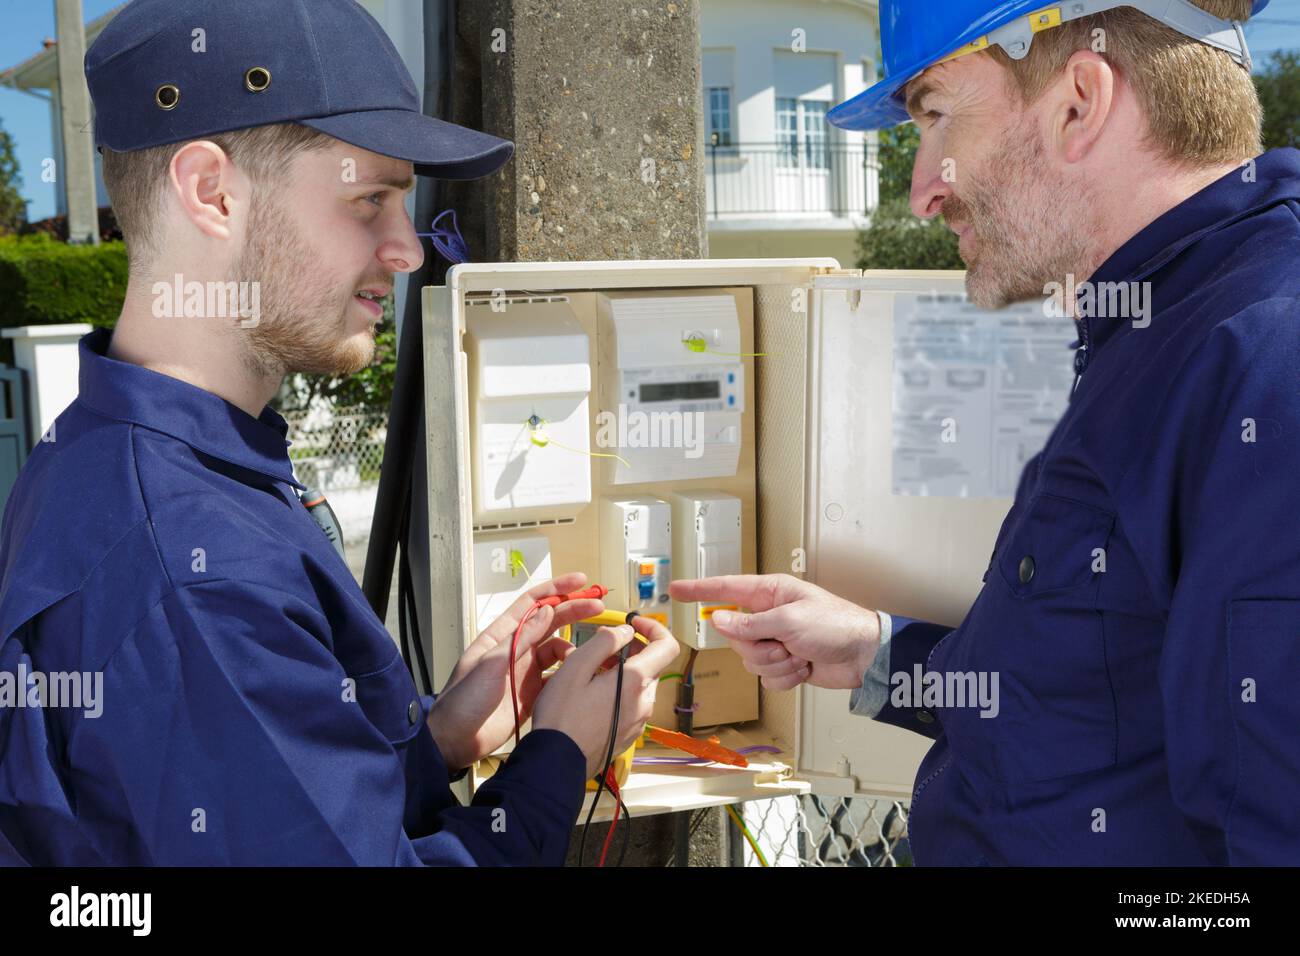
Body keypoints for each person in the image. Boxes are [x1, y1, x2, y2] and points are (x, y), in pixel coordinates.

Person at [0, 0, 677, 866]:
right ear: (211, 192)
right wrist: (559, 756)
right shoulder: (191, 563)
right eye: (370, 199)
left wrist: (431, 743)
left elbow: (267, 812)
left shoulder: (117, 456)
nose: (406, 249)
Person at [673, 0, 1300, 865]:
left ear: (1079, 102)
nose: (922, 188)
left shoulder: (1267, 357)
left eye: (936, 116)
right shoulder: (1161, 330)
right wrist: (878, 653)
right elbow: (1089, 701)